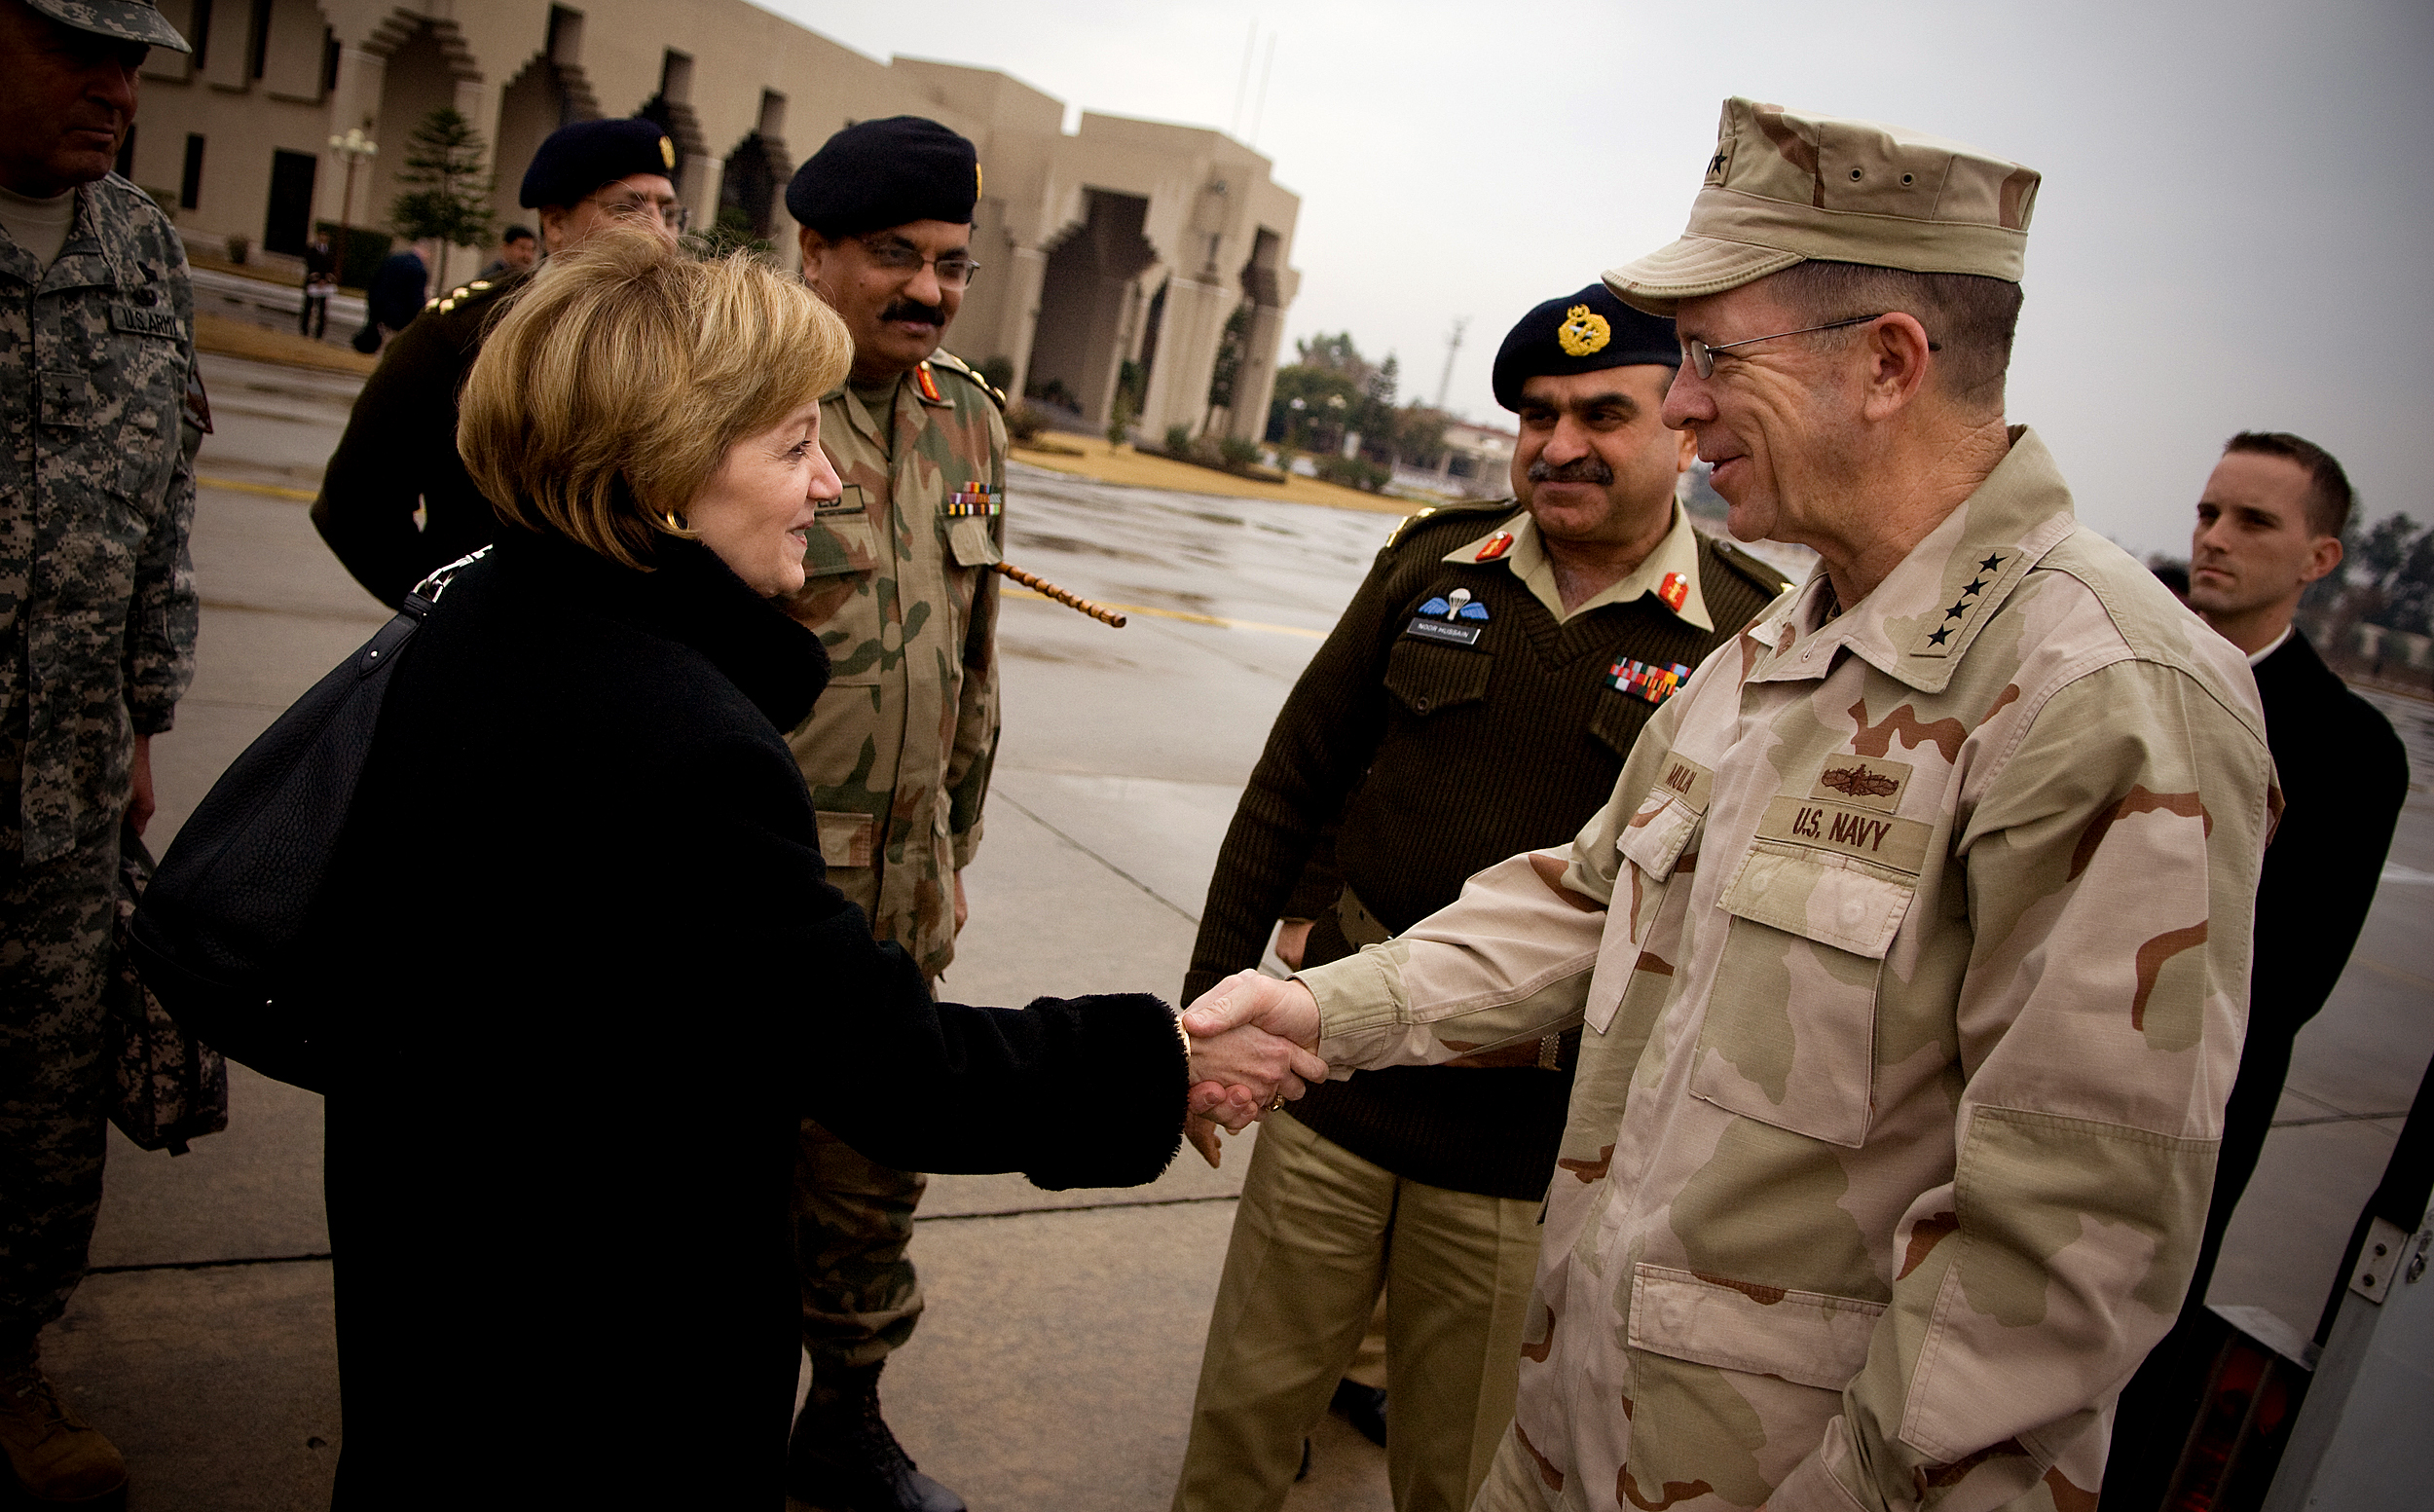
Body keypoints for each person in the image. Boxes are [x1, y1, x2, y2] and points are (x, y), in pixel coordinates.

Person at [1184, 96, 2276, 1510]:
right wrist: (1319, 1011)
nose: (1684, 401)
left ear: (1887, 364)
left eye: (1713, 356)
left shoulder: (2105, 695)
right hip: (1570, 1433)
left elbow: (2067, 1239)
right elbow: (1590, 904)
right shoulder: (1782, 644)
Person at [301, 229, 1317, 1508]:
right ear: (666, 474)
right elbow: (886, 1063)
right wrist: (1164, 1059)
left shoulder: (480, 623)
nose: (831, 483)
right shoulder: (673, 737)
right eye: (792, 446)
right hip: (591, 1383)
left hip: (437, 1326)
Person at [1171, 283, 1786, 1512]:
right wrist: (1203, 1020)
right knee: (1239, 1428)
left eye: (1601, 415)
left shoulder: (1743, 632)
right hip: (1334, 1090)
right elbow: (1293, 783)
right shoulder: (1432, 564)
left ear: (1680, 429)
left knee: (1460, 1472)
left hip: (1525, 1149)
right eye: (1537, 415)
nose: (1558, 445)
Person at [2103, 432, 2409, 1508]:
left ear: (2320, 558)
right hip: (1981, 1074)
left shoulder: (2348, 748)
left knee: (2105, 1396)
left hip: (2168, 1124)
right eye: (2206, 513)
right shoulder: (2109, 669)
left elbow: (2284, 980)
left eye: (2252, 521)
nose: (2214, 539)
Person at [777, 114, 1011, 1512]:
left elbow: (976, 659)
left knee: (876, 1169)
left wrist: (953, 845)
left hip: (900, 895)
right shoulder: (734, 392)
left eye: (950, 263)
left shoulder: (965, 413)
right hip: (758, 889)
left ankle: (845, 1416)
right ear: (813, 249)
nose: (927, 289)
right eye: (893, 255)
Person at [0, 0, 197, 1502]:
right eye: (76, 45)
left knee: (44, 1091)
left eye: (132, 59)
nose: (115, 85)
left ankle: (6, 1362)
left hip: (64, 776)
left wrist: (143, 712)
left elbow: (165, 497)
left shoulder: (140, 248)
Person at [313, 117, 683, 608]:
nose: (659, 233)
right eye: (628, 208)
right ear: (555, 223)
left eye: (669, 213)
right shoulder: (463, 335)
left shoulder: (690, 344)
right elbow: (354, 504)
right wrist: (445, 614)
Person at [351, 242, 424, 353]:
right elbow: (416, 299)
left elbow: (375, 285)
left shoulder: (392, 261)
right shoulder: (418, 270)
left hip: (381, 312)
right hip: (401, 320)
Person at [299, 229, 336, 338]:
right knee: (308, 306)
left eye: (325, 236)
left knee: (322, 309)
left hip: (325, 284)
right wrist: (317, 278)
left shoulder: (330, 252)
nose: (323, 238)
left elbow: (331, 267)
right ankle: (304, 329)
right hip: (313, 282)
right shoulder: (311, 250)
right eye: (321, 235)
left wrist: (325, 279)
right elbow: (310, 264)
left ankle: (320, 332)